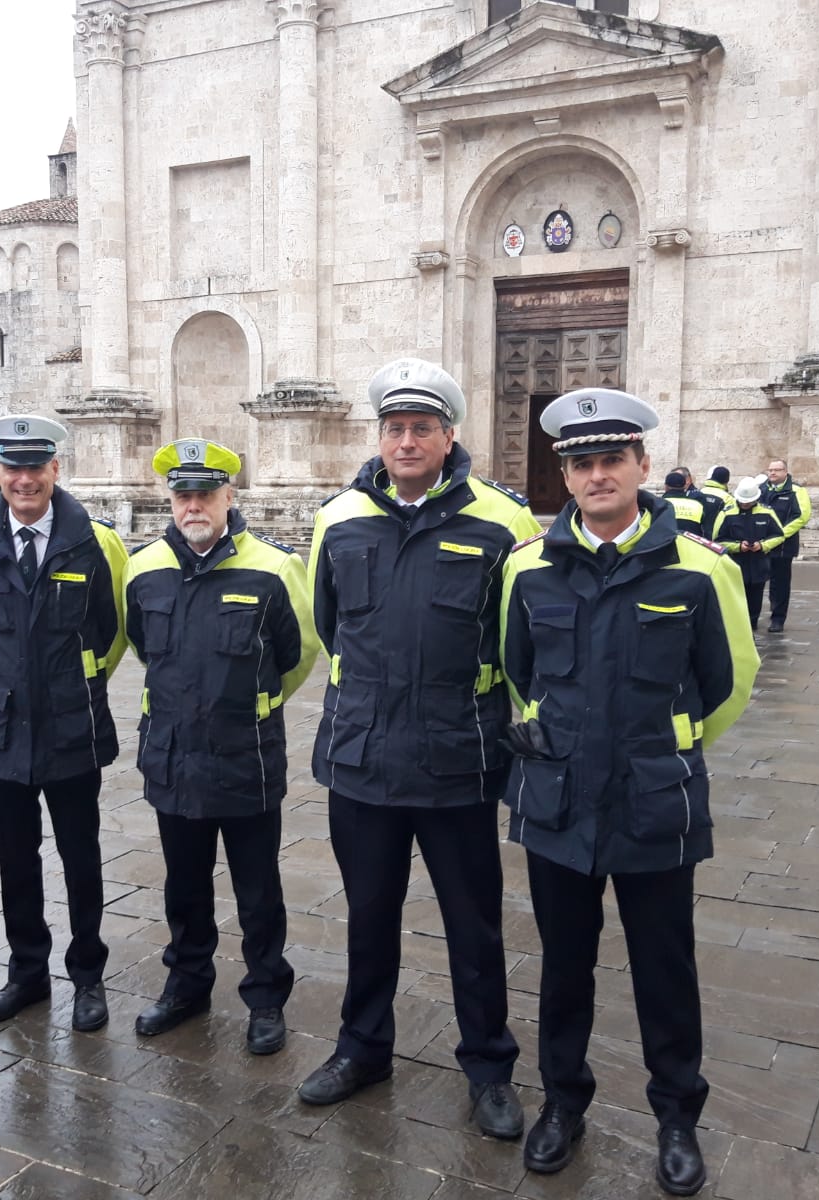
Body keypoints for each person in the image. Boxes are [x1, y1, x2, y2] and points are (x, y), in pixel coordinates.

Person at [500, 387, 758, 1197]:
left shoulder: (699, 567)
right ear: (565, 478)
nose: (597, 474)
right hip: (559, 800)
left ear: (643, 465)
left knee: (663, 967)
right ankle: (562, 1104)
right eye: (581, 463)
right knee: (562, 967)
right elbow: (517, 670)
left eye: (612, 458)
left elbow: (728, 683)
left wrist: (662, 750)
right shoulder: (526, 568)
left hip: (654, 800)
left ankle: (676, 1116)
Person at [300, 358, 541, 1139]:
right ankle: (362, 1049)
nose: (406, 441)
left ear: (448, 437)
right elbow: (329, 625)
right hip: (364, 757)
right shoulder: (338, 518)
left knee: (473, 926)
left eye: (422, 429)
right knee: (367, 916)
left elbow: (518, 640)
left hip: (458, 759)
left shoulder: (501, 523)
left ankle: (487, 1069)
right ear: (380, 437)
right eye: (394, 428)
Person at [124, 439, 320, 1055]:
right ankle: (186, 984)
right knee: (183, 884)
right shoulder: (144, 566)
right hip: (173, 751)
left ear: (230, 496)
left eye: (205, 493)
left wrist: (244, 703)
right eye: (183, 494)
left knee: (257, 888)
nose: (193, 506)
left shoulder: (274, 567)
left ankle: (265, 996)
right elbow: (140, 647)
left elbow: (299, 653)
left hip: (245, 753)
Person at [0, 414, 129, 1033]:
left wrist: (70, 681)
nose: (25, 479)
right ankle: (27, 973)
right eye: (13, 467)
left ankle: (87, 976)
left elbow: (111, 632)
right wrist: (7, 679)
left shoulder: (96, 541)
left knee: (81, 854)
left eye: (37, 466)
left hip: (71, 720)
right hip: (1, 725)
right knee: (14, 856)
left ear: (56, 469)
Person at [713, 478, 785, 631]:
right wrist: (738, 546)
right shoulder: (727, 513)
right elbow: (717, 540)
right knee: (735, 596)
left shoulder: (767, 512)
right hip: (735, 563)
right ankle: (736, 624)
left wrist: (763, 545)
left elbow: (779, 535)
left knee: (756, 596)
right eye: (743, 501)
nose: (745, 504)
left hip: (759, 562)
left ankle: (752, 624)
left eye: (748, 501)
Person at [760, 459, 812, 632]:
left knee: (780, 584)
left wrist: (779, 534)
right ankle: (752, 617)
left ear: (785, 472)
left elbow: (801, 517)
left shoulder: (796, 491)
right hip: (760, 545)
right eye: (770, 470)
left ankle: (778, 618)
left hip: (783, 546)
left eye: (777, 470)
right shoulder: (762, 489)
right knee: (755, 582)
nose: (773, 473)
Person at [661, 470, 705, 536]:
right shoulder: (697, 505)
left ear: (666, 486)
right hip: (690, 545)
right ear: (684, 486)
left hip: (665, 545)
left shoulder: (658, 504)